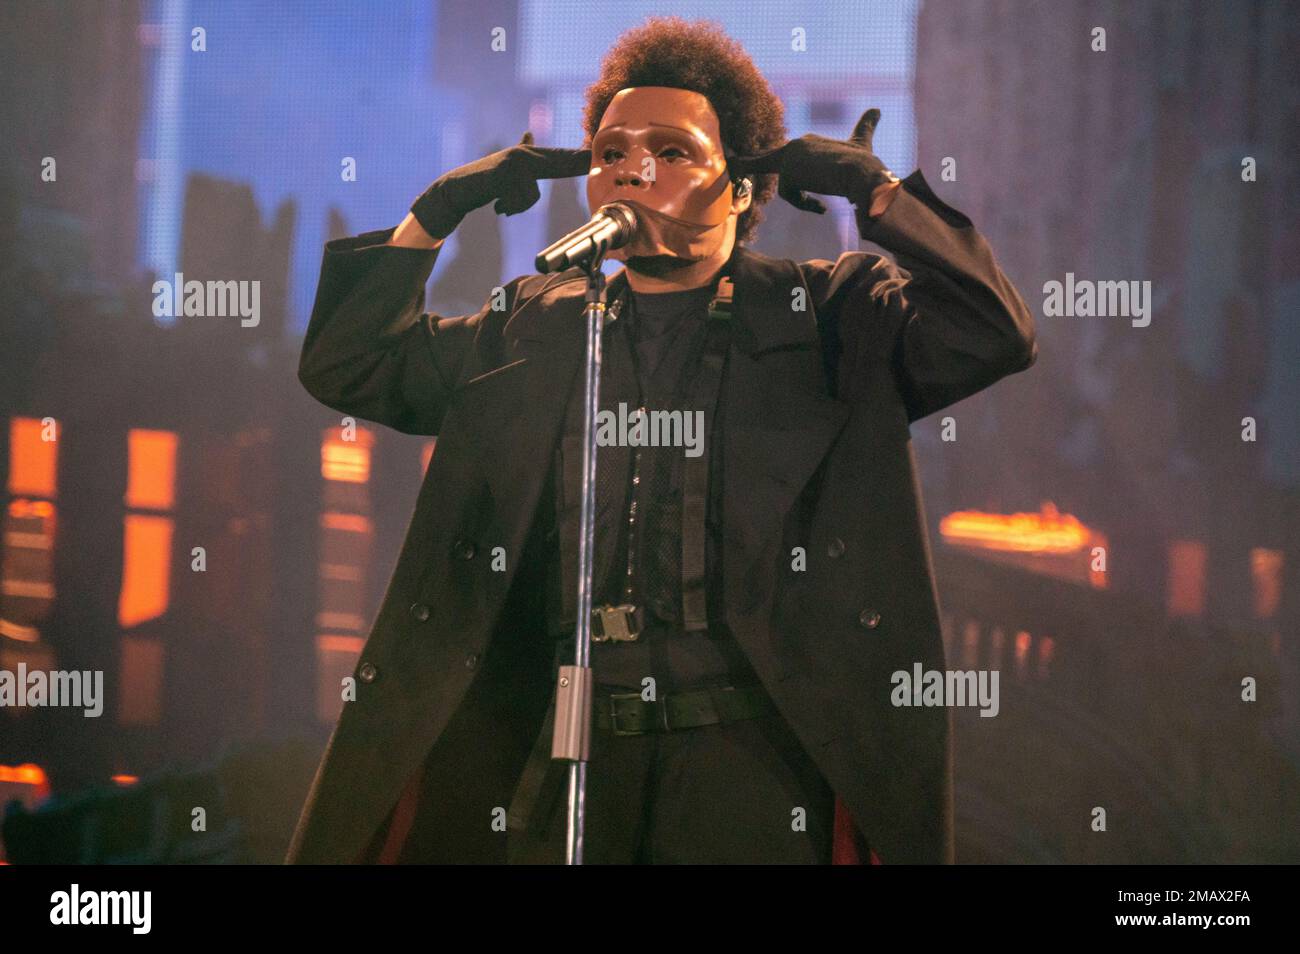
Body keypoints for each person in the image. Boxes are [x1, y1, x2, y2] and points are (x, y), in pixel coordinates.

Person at [287, 16, 1036, 865]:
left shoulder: (828, 316)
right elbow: (352, 366)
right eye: (610, 153)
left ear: (743, 188)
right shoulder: (536, 326)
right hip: (565, 762)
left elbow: (993, 333)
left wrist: (879, 193)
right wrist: (438, 210)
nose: (631, 171)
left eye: (672, 152)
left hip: (752, 773)